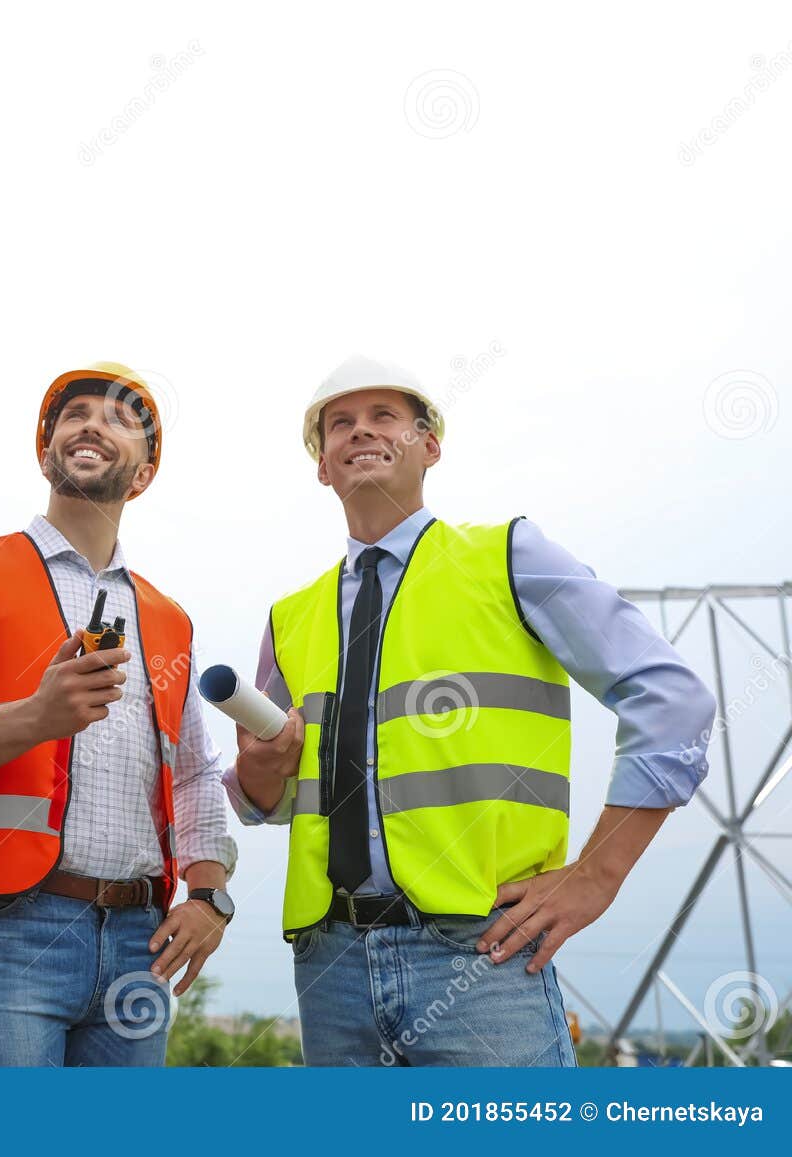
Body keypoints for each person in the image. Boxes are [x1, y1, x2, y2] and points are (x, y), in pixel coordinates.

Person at [225, 354, 716, 1067]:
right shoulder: (290, 617)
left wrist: (595, 876)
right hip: (330, 969)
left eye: (384, 415)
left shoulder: (510, 557)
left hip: (481, 956)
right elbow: (268, 802)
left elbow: (674, 700)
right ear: (323, 466)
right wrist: (258, 772)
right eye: (340, 423)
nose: (361, 431)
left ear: (430, 445)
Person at [0, 362, 238, 1066]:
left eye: (121, 417)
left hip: (139, 945)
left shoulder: (167, 619)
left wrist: (210, 896)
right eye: (76, 414)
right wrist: (33, 718)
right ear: (47, 452)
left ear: (145, 472)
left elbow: (193, 775)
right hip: (3, 936)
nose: (93, 423)